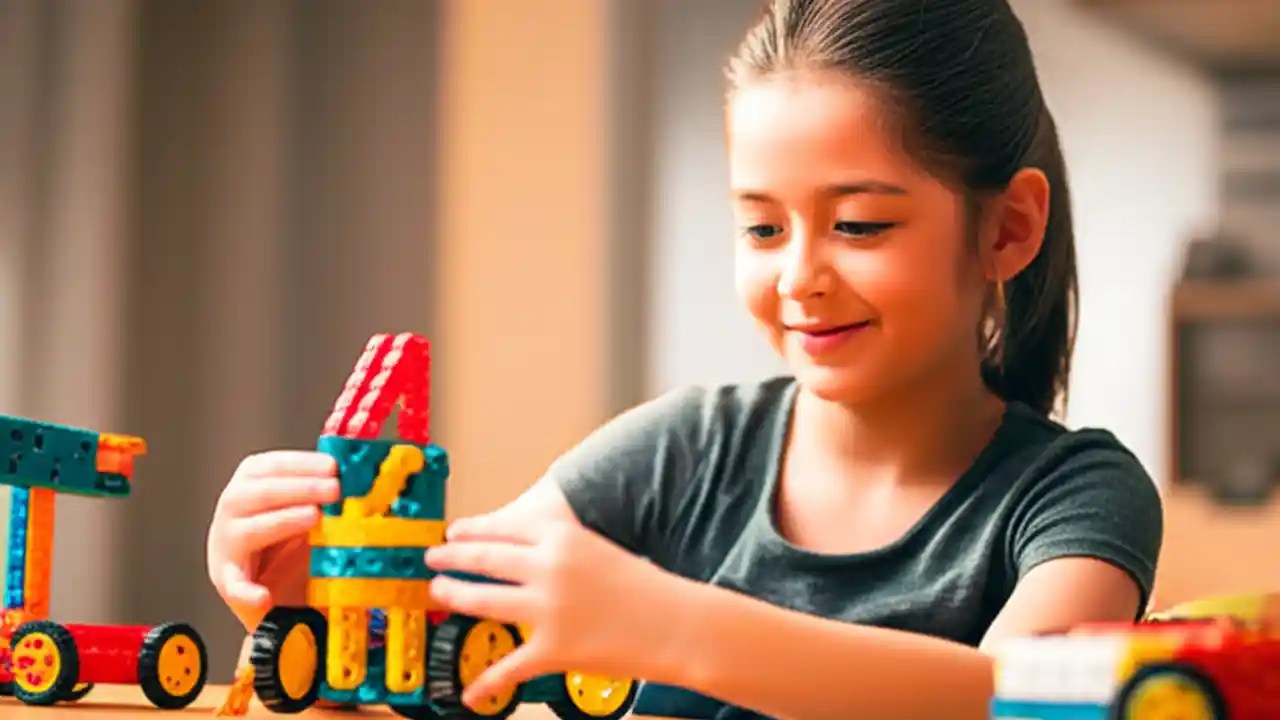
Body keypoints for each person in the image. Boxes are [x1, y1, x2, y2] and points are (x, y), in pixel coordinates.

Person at [205, 1, 1163, 717]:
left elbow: (1026, 701)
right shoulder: (685, 448)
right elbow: (444, 671)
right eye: (760, 226)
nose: (801, 277)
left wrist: (669, 626)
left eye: (861, 224)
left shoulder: (1076, 496)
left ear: (1009, 229)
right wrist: (317, 610)